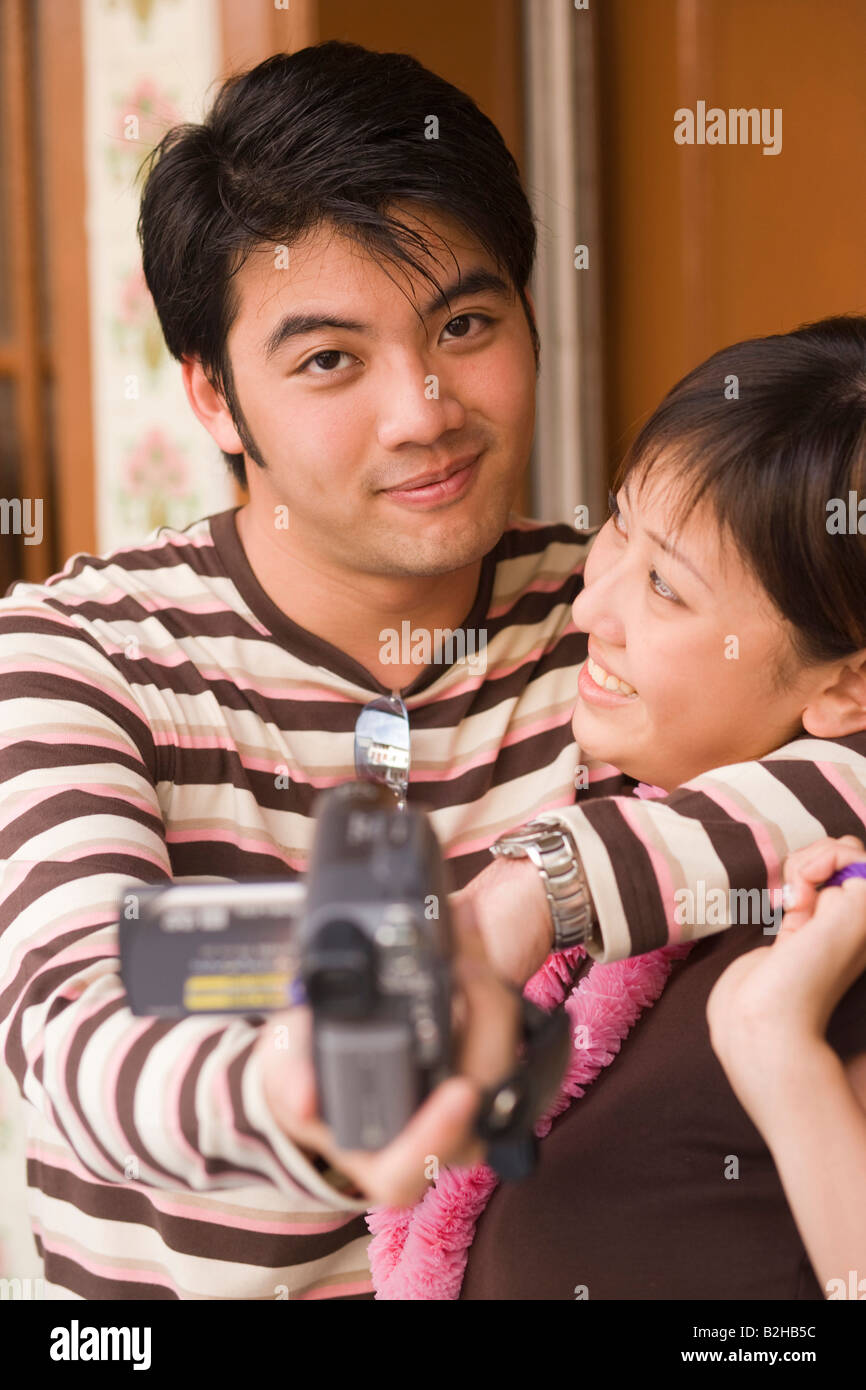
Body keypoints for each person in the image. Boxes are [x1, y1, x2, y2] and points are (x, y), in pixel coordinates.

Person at [1, 41, 866, 1302]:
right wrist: (301, 1088)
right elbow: (76, 1030)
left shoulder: (620, 611)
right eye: (328, 361)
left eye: (464, 326)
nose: (424, 410)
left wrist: (526, 901)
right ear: (211, 396)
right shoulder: (83, 655)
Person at [378, 315, 866, 1299]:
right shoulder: (641, 853)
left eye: (664, 587)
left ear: (847, 687)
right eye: (618, 527)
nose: (591, 605)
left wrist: (773, 1043)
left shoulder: (830, 942)